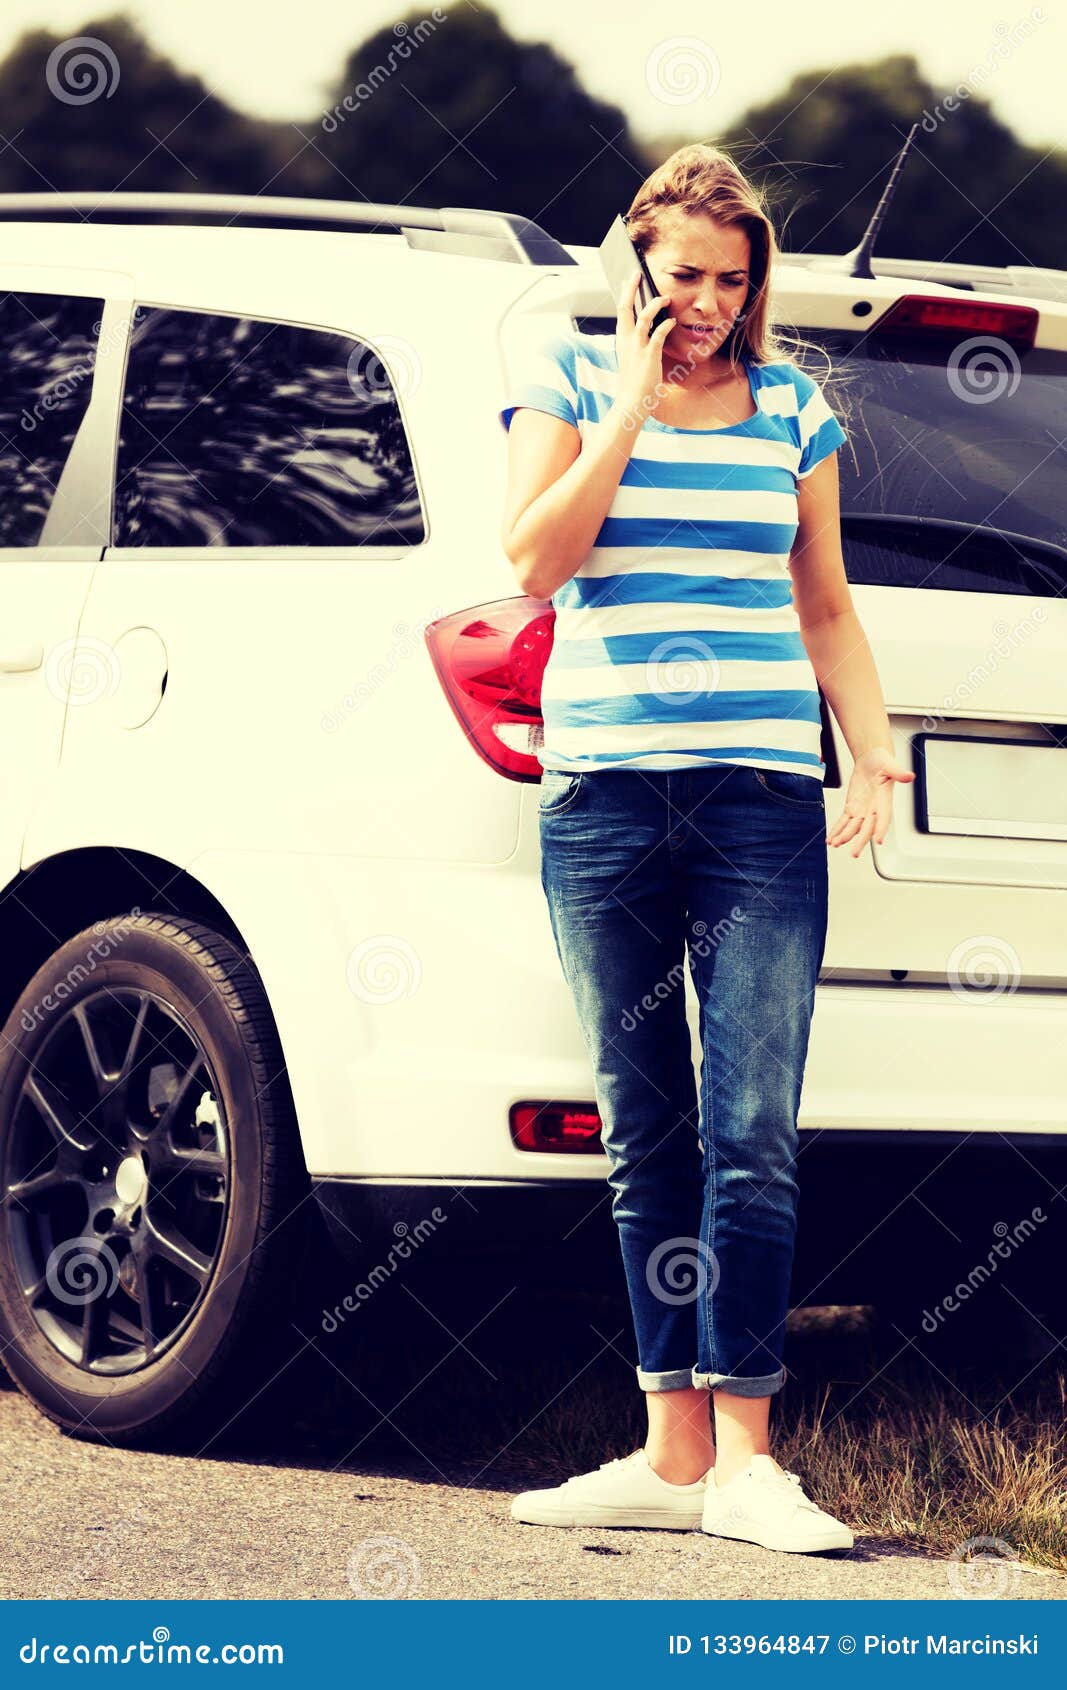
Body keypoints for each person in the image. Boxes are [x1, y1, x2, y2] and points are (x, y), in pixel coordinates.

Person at [498, 144, 913, 1556]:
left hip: (757, 806)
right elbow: (534, 562)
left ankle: (748, 1459)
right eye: (687, 277)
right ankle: (671, 1455)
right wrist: (627, 403)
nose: (712, 305)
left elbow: (826, 603)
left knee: (753, 1130)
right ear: (636, 265)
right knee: (643, 1126)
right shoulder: (565, 381)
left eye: (734, 281)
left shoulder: (794, 408)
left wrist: (874, 747)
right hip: (604, 800)